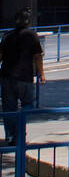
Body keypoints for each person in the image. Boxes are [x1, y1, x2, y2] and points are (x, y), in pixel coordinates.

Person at [0, 9, 45, 144]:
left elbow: (0, 55)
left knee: (9, 108)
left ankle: (10, 135)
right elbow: (38, 56)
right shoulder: (32, 35)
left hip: (7, 75)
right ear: (28, 22)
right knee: (28, 104)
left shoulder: (7, 35)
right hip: (24, 76)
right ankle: (20, 132)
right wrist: (41, 73)